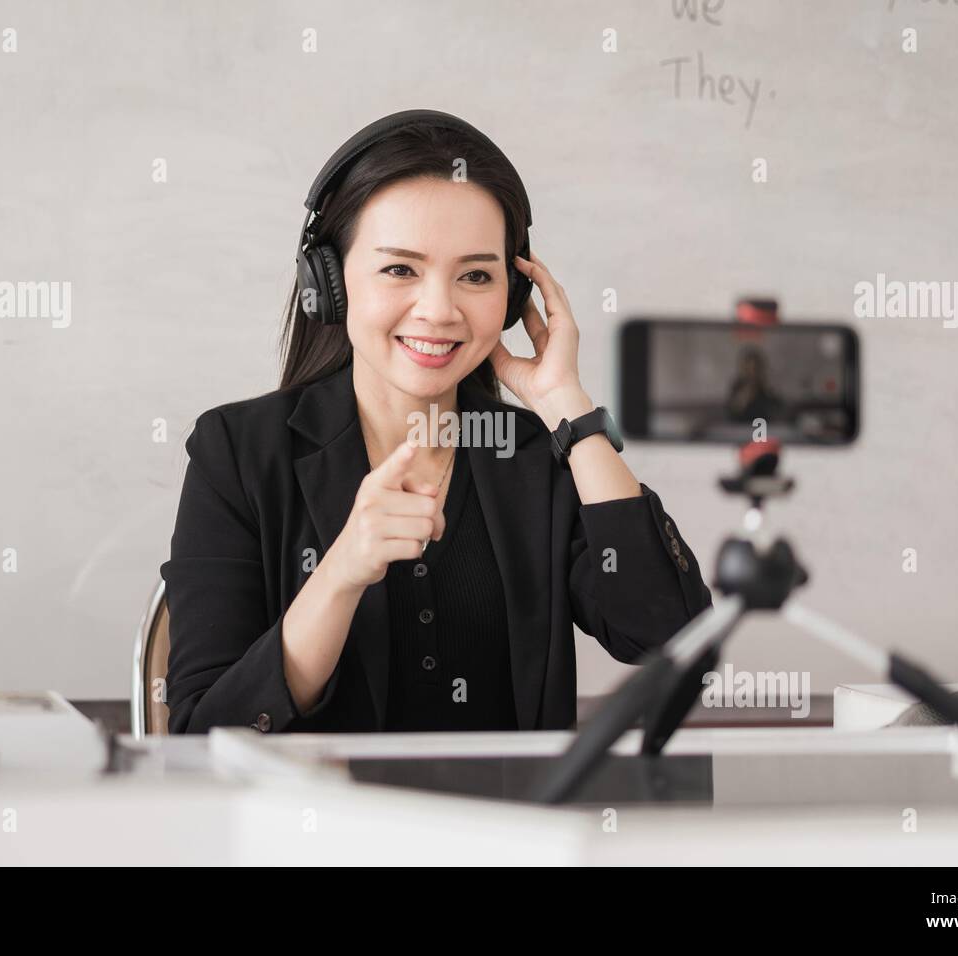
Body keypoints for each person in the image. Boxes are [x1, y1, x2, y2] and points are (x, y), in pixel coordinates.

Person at [160, 110, 711, 734]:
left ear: (512, 297)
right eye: (400, 269)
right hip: (312, 829)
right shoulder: (235, 452)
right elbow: (202, 735)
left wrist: (567, 407)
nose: (439, 310)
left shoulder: (537, 457)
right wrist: (340, 574)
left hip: (509, 829)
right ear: (330, 282)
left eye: (475, 275)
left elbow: (675, 641)